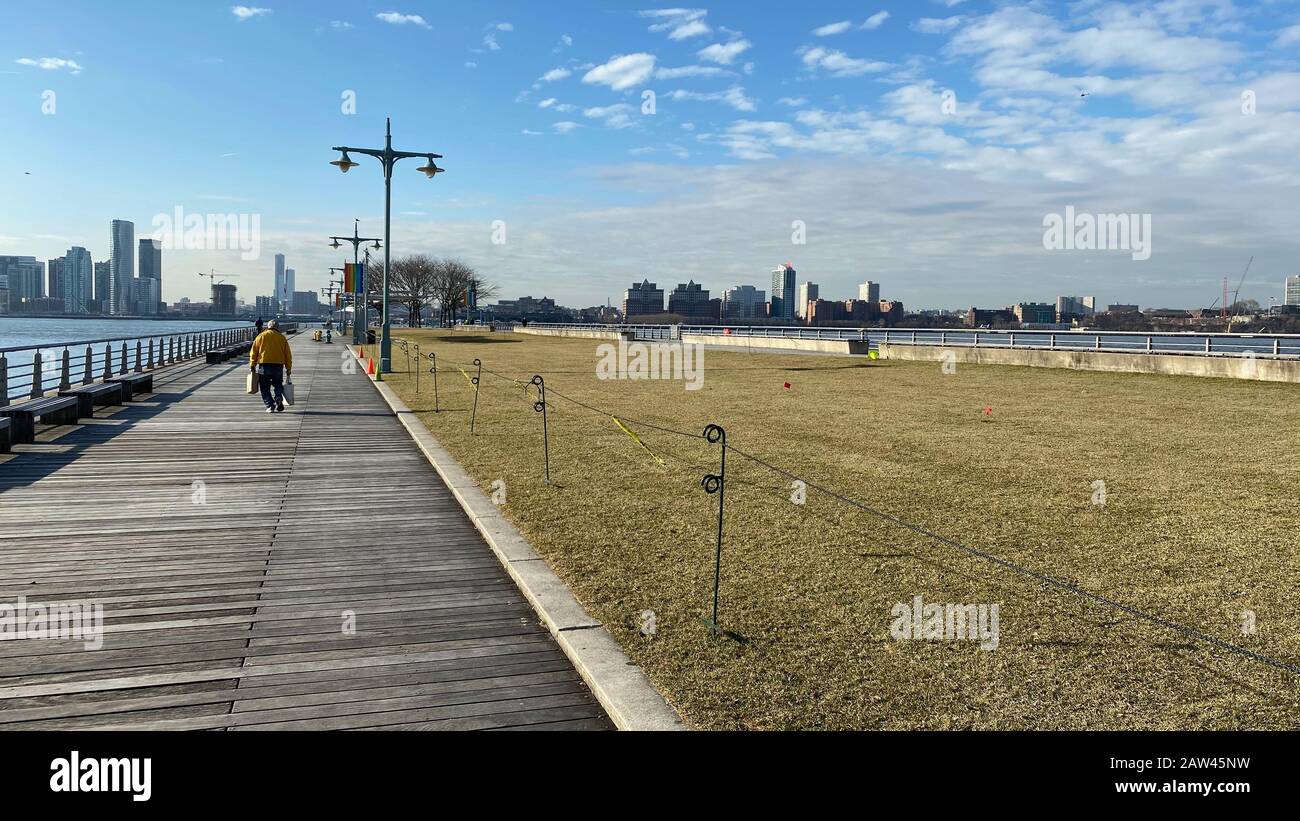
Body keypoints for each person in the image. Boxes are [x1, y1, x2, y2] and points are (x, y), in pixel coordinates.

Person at [250, 319, 292, 413]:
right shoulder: (282, 337)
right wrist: (288, 368)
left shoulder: (261, 336)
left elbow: (254, 351)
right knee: (278, 384)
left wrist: (252, 364)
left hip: (264, 365)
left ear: (268, 326)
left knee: (264, 386)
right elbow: (287, 354)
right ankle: (278, 397)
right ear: (277, 327)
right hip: (278, 365)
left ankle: (270, 405)